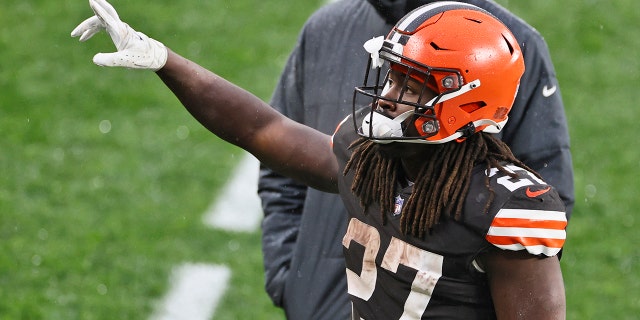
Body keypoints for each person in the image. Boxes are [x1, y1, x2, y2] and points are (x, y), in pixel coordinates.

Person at [72, 0, 568, 318]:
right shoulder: (369, 157)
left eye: (410, 85)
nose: (387, 95)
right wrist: (164, 60)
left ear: (466, 102)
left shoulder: (508, 207)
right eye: (391, 77)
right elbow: (261, 129)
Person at [258, 0, 574, 318]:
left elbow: (544, 179)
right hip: (321, 302)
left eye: (408, 86)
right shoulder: (326, 26)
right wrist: (290, 278)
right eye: (390, 80)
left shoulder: (509, 45)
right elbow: (278, 153)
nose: (383, 101)